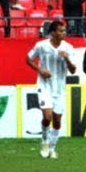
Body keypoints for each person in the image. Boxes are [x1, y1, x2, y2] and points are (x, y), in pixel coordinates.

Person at [26, 21, 77, 159]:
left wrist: (67, 59)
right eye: (61, 31)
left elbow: (73, 70)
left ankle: (52, 148)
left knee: (57, 120)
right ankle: (44, 141)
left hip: (59, 89)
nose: (63, 33)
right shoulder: (41, 45)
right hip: (44, 86)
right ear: (53, 32)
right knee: (47, 116)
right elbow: (28, 59)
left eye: (64, 30)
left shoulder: (68, 48)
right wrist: (40, 70)